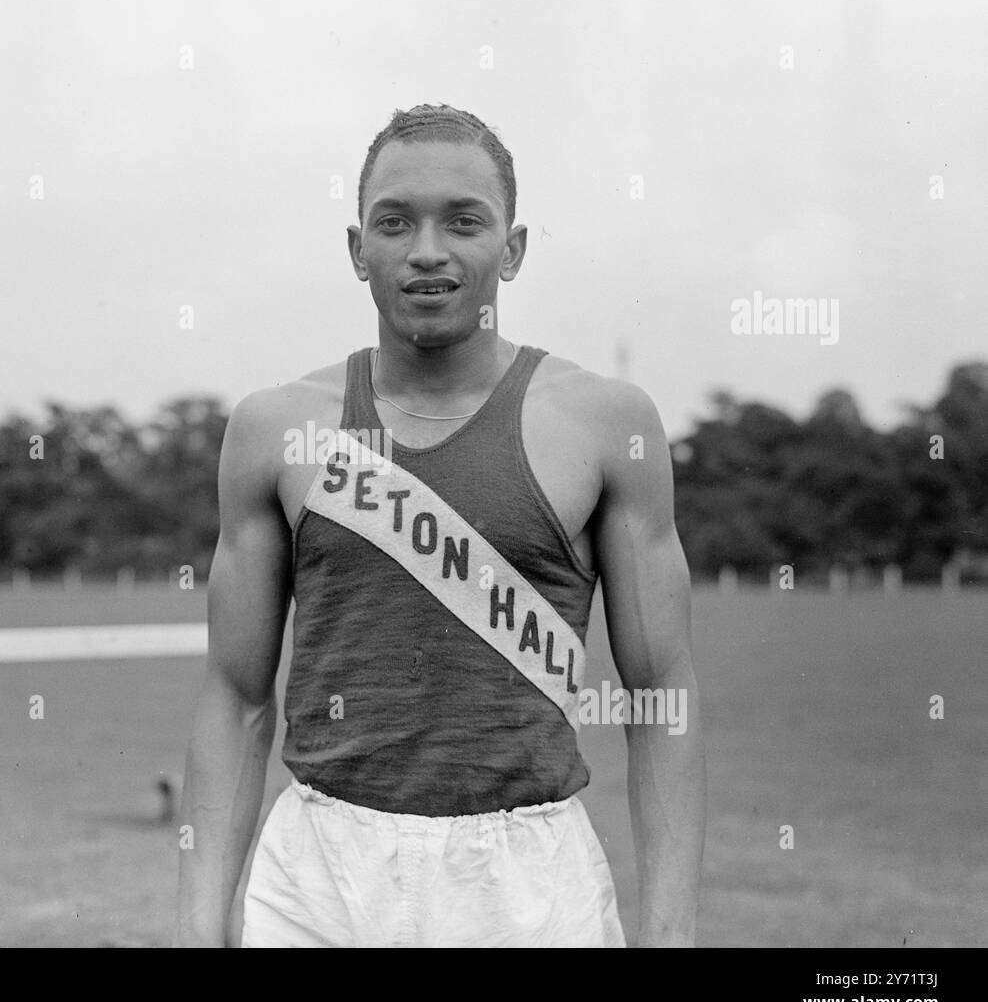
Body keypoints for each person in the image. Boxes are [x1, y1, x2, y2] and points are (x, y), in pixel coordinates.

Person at [175, 103, 705, 947]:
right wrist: (200, 927)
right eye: (395, 223)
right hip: (319, 878)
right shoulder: (277, 429)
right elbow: (236, 697)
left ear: (514, 247)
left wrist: (669, 938)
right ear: (358, 250)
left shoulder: (605, 424)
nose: (427, 250)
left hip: (529, 884)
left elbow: (660, 692)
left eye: (464, 221)